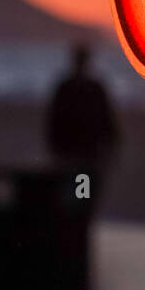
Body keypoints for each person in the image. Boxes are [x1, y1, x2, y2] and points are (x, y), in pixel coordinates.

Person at [44, 44, 120, 197]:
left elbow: (106, 118)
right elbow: (54, 118)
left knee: (78, 189)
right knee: (78, 188)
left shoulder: (74, 87)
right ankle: (76, 214)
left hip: (83, 149)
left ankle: (76, 214)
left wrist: (112, 141)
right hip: (76, 148)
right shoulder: (79, 88)